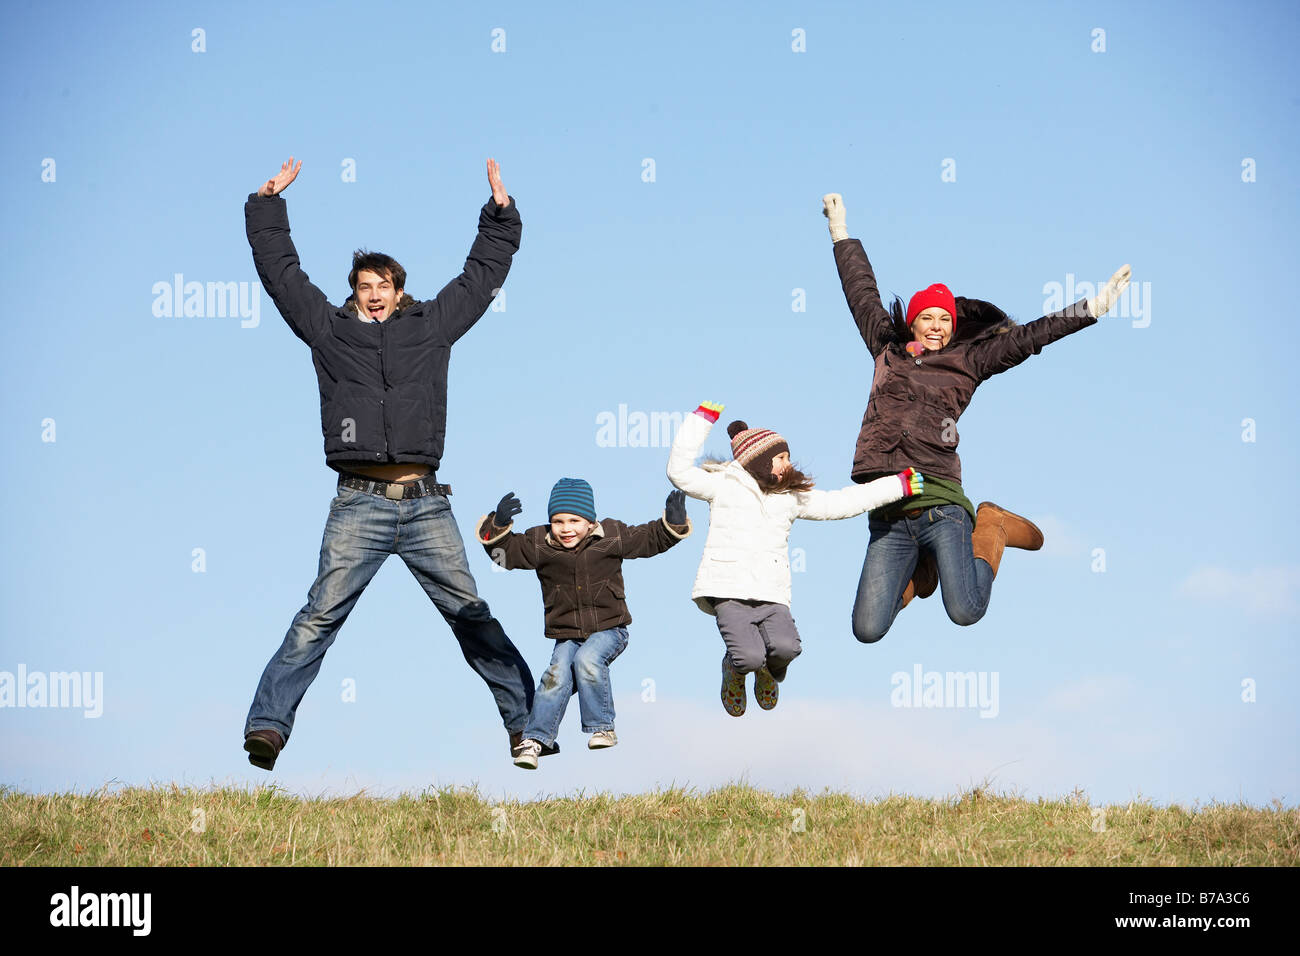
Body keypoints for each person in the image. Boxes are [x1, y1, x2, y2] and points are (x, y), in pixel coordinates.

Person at [241, 156, 542, 770]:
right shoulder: (328, 331)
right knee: (319, 615)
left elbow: (481, 276)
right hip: (358, 503)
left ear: (399, 291)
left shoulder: (431, 328)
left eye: (384, 287)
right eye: (364, 288)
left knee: (471, 614)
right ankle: (267, 728)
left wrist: (501, 216)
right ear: (354, 293)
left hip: (427, 503)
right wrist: (268, 208)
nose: (374, 296)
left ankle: (527, 729)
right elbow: (282, 276)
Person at [820, 192, 1132, 643]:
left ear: (952, 326)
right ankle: (924, 572)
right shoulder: (886, 348)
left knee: (965, 610)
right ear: (911, 323)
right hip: (887, 510)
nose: (935, 326)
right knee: (867, 629)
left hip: (941, 505)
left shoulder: (969, 360)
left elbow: (1030, 336)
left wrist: (1092, 308)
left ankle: (992, 525)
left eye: (943, 320)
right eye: (925, 317)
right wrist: (840, 233)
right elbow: (861, 291)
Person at [667, 401, 922, 715]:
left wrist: (897, 485)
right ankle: (735, 668)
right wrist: (701, 420)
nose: (788, 464)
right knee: (747, 656)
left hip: (772, 593)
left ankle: (767, 671)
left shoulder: (790, 497)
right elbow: (678, 472)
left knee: (787, 648)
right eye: (781, 458)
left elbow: (840, 503)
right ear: (759, 461)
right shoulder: (722, 486)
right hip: (728, 591)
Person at [475, 480, 692, 769]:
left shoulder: (611, 536)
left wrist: (671, 526)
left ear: (590, 522)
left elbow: (648, 539)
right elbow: (505, 555)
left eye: (575, 521)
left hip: (610, 629)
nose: (566, 529)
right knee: (555, 677)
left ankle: (602, 726)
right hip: (567, 636)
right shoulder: (540, 543)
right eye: (558, 521)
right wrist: (498, 526)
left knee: (588, 660)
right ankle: (534, 740)